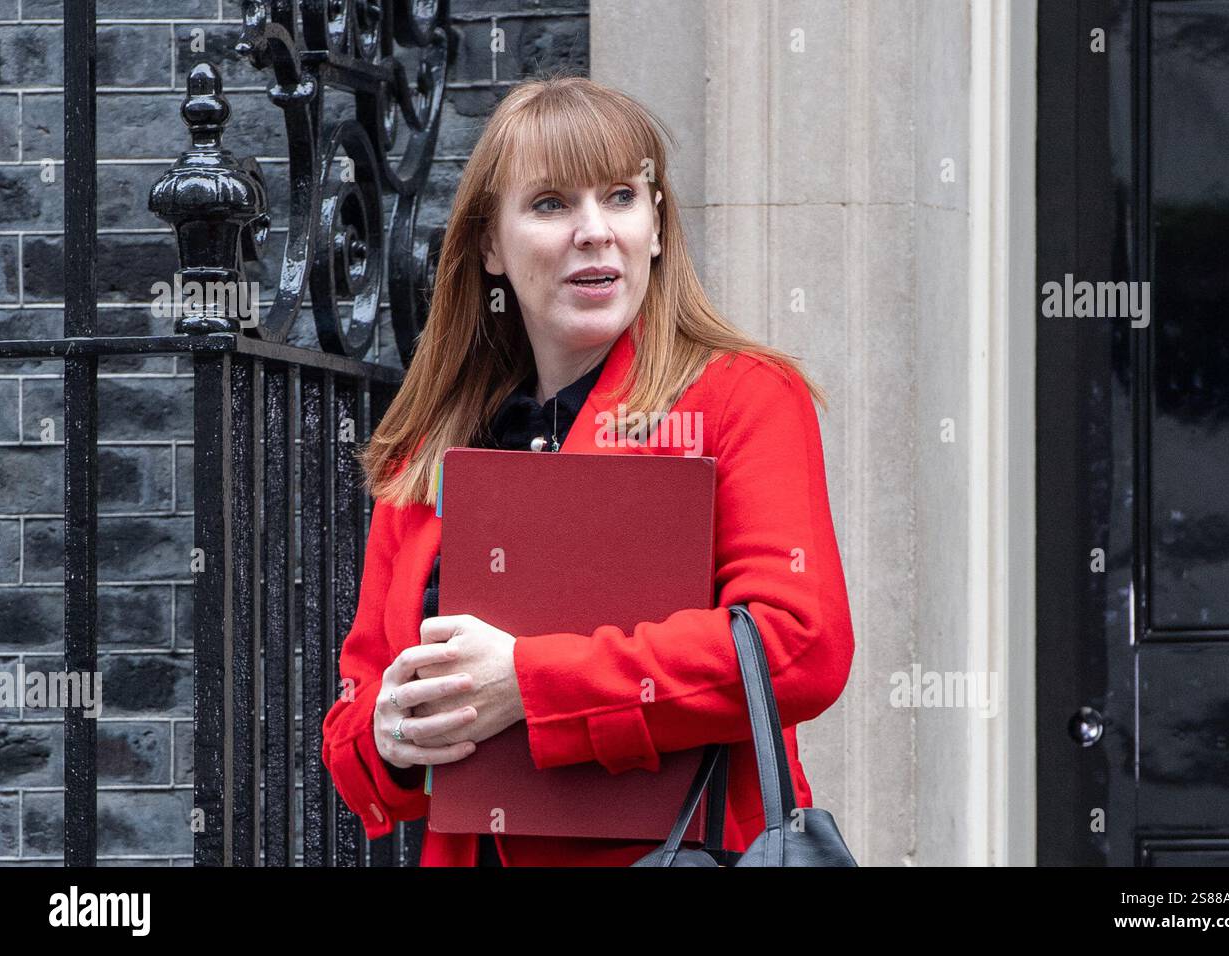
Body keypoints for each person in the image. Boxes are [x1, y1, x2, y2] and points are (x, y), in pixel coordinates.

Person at [321, 72, 855, 866]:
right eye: (550, 204)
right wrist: (393, 731)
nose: (595, 231)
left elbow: (798, 647)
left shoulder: (741, 398)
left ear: (658, 228)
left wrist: (531, 682)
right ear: (489, 247)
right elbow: (356, 716)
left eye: (620, 197)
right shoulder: (430, 447)